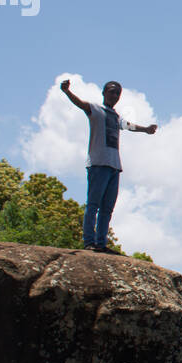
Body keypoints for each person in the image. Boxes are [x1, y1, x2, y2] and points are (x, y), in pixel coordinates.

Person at [60, 78, 157, 253]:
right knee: (93, 204)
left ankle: (101, 243)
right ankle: (89, 241)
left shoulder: (116, 116)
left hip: (114, 166)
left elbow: (129, 125)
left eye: (117, 93)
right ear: (104, 93)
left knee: (107, 208)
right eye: (111, 91)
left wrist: (146, 129)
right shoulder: (96, 110)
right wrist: (67, 92)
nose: (114, 95)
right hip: (98, 163)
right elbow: (81, 104)